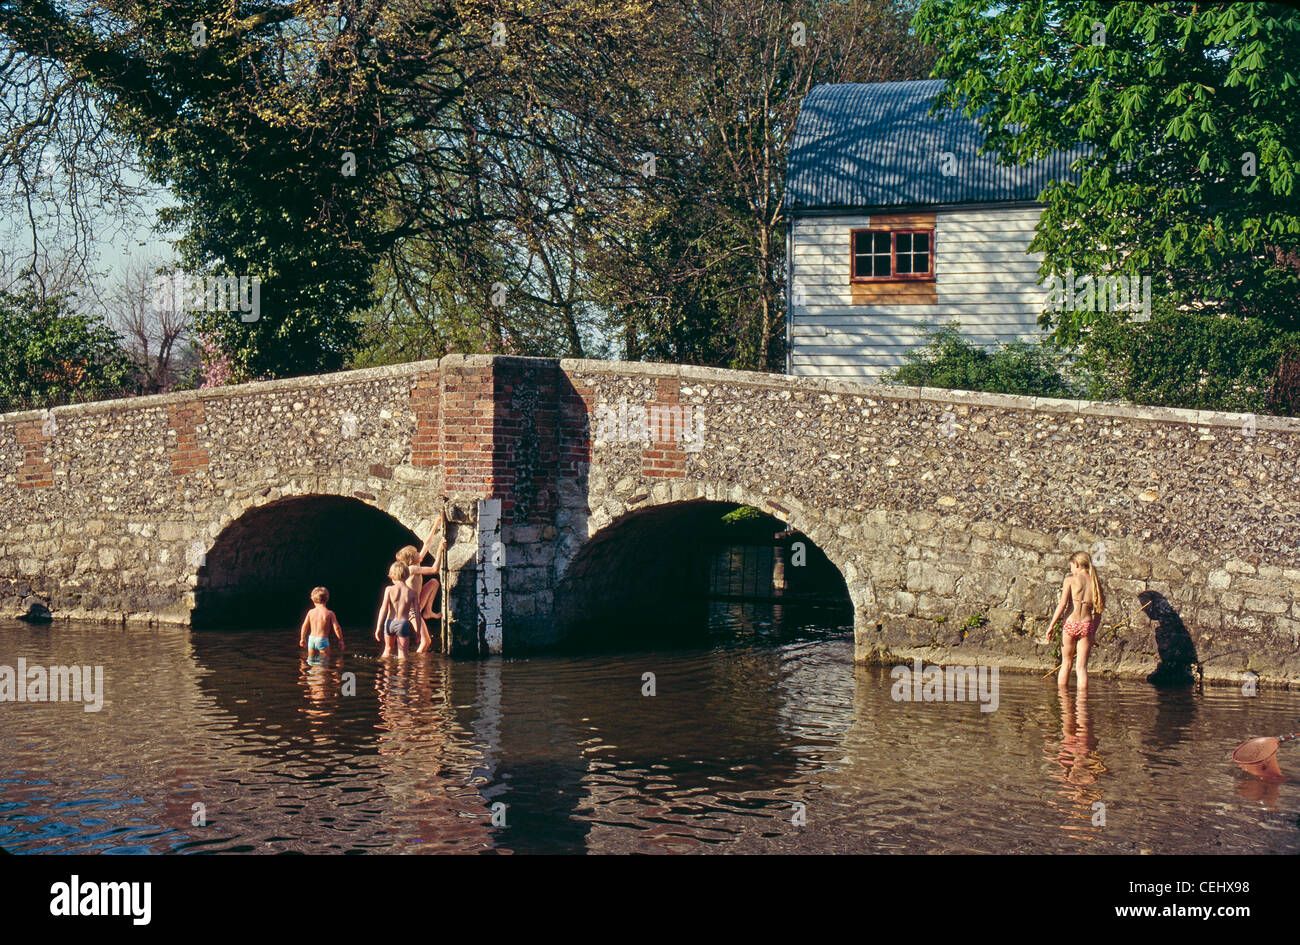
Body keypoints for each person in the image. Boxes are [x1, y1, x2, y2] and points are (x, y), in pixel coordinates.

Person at [1039, 551, 1106, 689]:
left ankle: (1063, 701)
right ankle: (1082, 707)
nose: (1071, 569)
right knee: (1081, 668)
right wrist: (1093, 632)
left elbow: (1062, 605)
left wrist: (1051, 625)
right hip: (1086, 625)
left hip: (1070, 624)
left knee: (1066, 663)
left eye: (1071, 566)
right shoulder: (1095, 584)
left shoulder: (1070, 580)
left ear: (1076, 564)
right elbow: (1098, 613)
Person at [395, 513, 446, 654]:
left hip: (418, 602)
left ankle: (428, 611)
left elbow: (427, 544)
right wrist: (440, 551)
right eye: (417, 553)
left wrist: (436, 525)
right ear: (412, 559)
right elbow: (435, 569)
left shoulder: (415, 564)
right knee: (426, 642)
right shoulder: (412, 569)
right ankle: (417, 664)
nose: (420, 554)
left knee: (434, 583)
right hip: (411, 610)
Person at [375, 561, 419, 659]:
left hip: (389, 622)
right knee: (403, 655)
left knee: (387, 649)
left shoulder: (389, 589)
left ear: (393, 575)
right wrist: (418, 631)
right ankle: (402, 674)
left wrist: (378, 627)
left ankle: (385, 673)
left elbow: (383, 608)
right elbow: (417, 613)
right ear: (407, 574)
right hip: (403, 623)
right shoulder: (412, 592)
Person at [299, 587, 345, 658]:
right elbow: (337, 628)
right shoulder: (329, 613)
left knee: (310, 660)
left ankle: (310, 669)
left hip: (311, 639)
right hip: (322, 640)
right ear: (327, 599)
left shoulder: (310, 612)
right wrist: (341, 640)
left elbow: (304, 626)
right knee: (324, 662)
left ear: (312, 599)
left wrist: (302, 638)